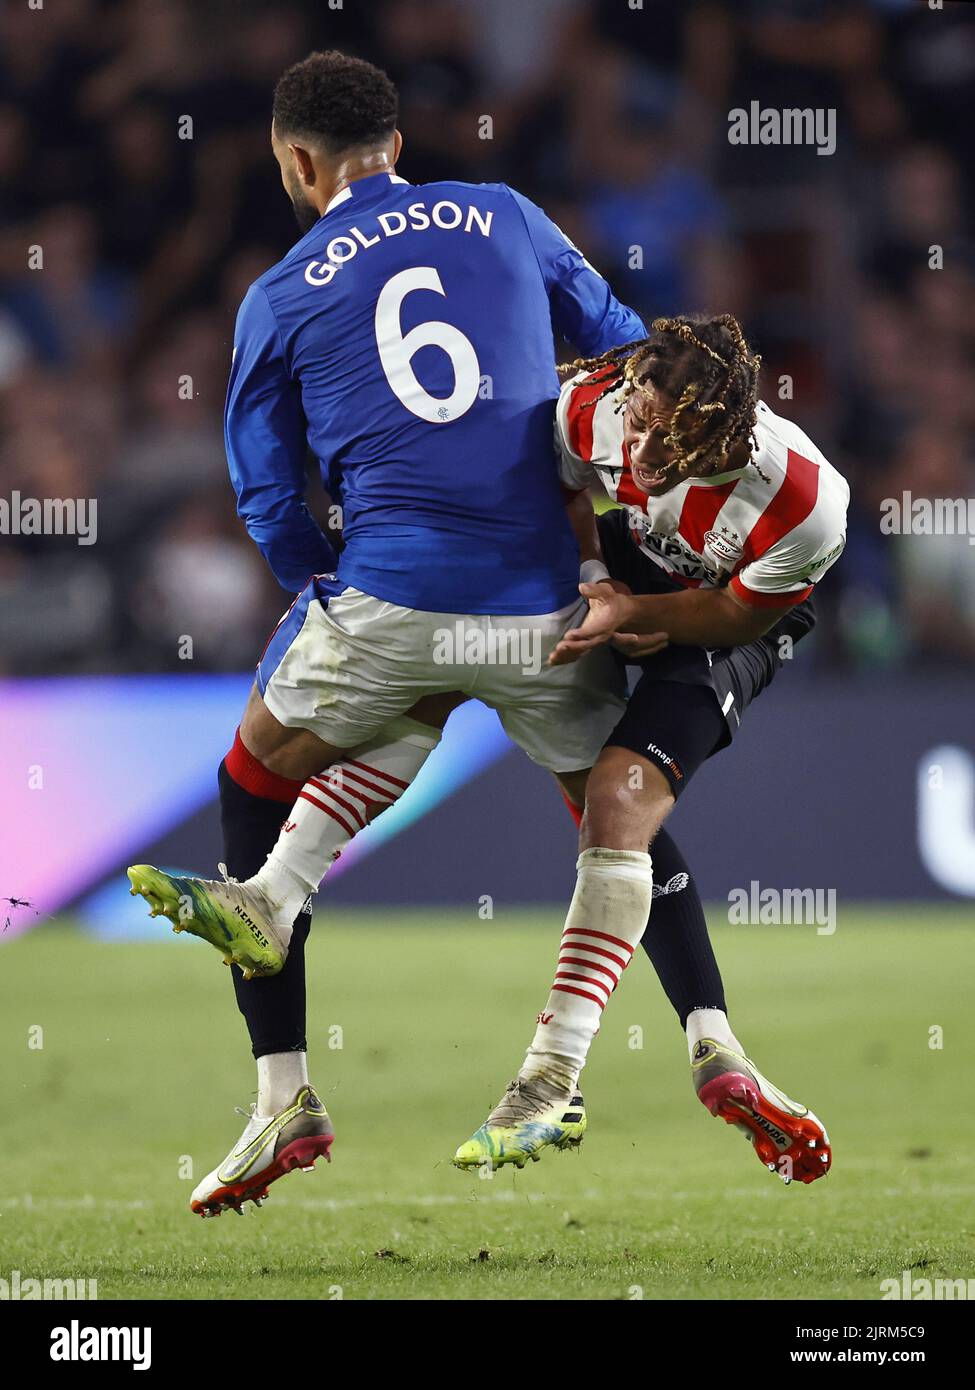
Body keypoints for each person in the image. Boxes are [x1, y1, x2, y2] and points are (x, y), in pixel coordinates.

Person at [126, 45, 655, 1216]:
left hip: (390, 596)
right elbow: (628, 347)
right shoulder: (509, 213)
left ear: (298, 165)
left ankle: (281, 1092)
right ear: (399, 148)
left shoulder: (278, 290)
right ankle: (685, 1043)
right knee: (626, 816)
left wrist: (330, 588)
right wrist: (605, 520)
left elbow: (266, 496)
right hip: (552, 605)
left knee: (250, 780)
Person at [453, 313, 849, 1183]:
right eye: (635, 424)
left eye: (669, 439)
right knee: (612, 830)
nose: (637, 453)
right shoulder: (597, 405)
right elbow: (555, 482)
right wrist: (596, 578)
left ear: (725, 430)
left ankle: (550, 1076)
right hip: (629, 577)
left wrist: (637, 617)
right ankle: (715, 1043)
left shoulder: (804, 504)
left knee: (615, 803)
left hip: (730, 620)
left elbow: (733, 618)